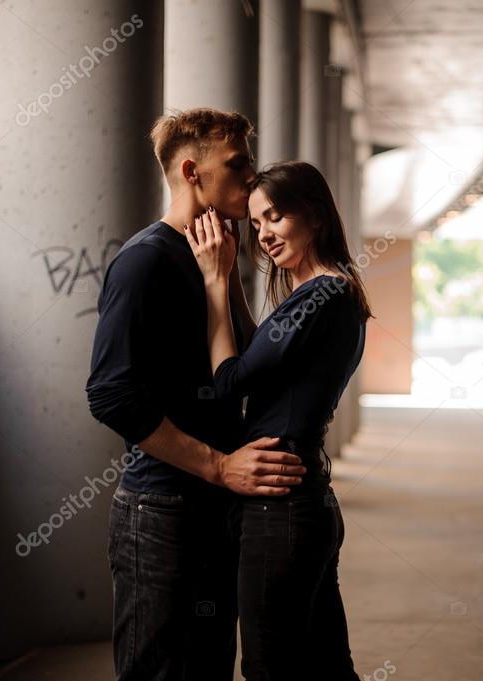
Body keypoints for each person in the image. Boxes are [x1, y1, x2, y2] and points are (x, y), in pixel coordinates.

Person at [85, 109, 307, 681]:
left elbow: (242, 369)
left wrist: (227, 278)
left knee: (209, 669)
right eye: (237, 165)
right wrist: (218, 466)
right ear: (191, 172)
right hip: (161, 512)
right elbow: (112, 396)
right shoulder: (144, 261)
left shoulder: (216, 254)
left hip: (215, 509)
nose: (252, 177)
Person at [184, 160, 372, 681]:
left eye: (275, 217)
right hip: (306, 501)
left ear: (313, 215)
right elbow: (260, 350)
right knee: (328, 665)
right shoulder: (333, 293)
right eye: (256, 223)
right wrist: (233, 288)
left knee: (271, 665)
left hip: (281, 506)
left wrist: (214, 282)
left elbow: (229, 378)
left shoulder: (321, 297)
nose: (263, 234)